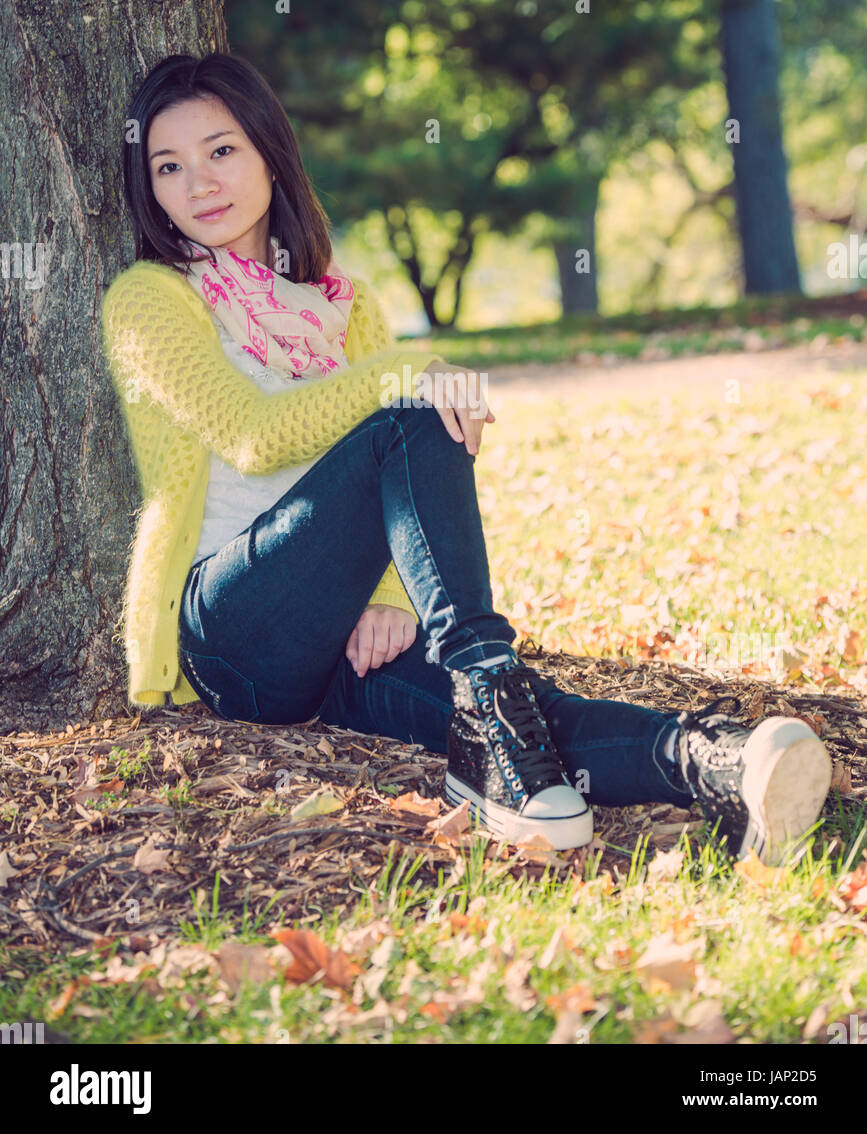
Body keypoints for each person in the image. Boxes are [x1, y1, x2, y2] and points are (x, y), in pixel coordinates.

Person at [102, 51, 833, 864]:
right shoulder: (150, 299)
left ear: (271, 150)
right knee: (414, 409)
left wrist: (390, 595)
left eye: (221, 150)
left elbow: (394, 481)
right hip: (236, 635)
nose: (198, 182)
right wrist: (411, 374)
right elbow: (252, 433)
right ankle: (493, 690)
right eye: (169, 166)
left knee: (513, 709)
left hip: (344, 636)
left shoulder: (344, 307)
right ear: (151, 187)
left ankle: (721, 762)